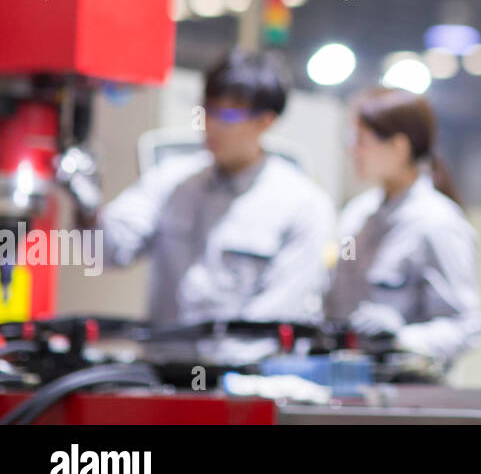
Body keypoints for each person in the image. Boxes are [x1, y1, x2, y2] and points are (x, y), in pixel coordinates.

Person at [94, 49, 336, 362]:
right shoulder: (171, 182)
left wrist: (217, 375)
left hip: (244, 389)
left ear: (266, 121)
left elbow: (279, 314)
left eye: (229, 115)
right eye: (208, 109)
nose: (211, 125)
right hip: (162, 377)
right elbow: (105, 252)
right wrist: (87, 207)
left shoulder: (302, 204)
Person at [326, 88, 481, 373]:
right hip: (345, 386)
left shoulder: (437, 222)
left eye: (360, 140)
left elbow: (467, 327)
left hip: (407, 396)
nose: (352, 150)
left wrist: (400, 337)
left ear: (399, 147)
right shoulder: (356, 215)